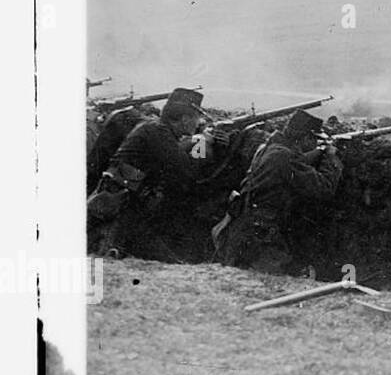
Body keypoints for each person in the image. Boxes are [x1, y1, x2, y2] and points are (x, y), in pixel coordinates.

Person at [216, 110, 343, 274]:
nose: (314, 143)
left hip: (245, 227)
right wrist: (331, 157)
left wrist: (319, 150)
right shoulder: (285, 157)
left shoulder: (268, 148)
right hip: (261, 237)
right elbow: (324, 187)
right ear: (305, 138)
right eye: (314, 139)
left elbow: (296, 162)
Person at [87, 88, 207, 261]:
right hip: (118, 211)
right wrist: (202, 142)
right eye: (197, 118)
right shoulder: (158, 133)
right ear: (185, 119)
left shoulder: (154, 128)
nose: (199, 122)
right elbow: (189, 171)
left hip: (122, 205)